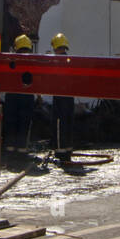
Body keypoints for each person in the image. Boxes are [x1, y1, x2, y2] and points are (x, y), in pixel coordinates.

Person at [2, 34, 36, 151]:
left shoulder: (12, 61)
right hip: (27, 96)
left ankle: (10, 148)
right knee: (24, 122)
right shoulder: (32, 61)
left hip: (12, 95)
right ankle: (21, 149)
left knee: (11, 121)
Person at [49, 33, 75, 164]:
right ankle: (68, 151)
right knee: (68, 122)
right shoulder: (70, 61)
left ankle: (60, 153)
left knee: (59, 123)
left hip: (60, 98)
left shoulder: (57, 62)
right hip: (69, 98)